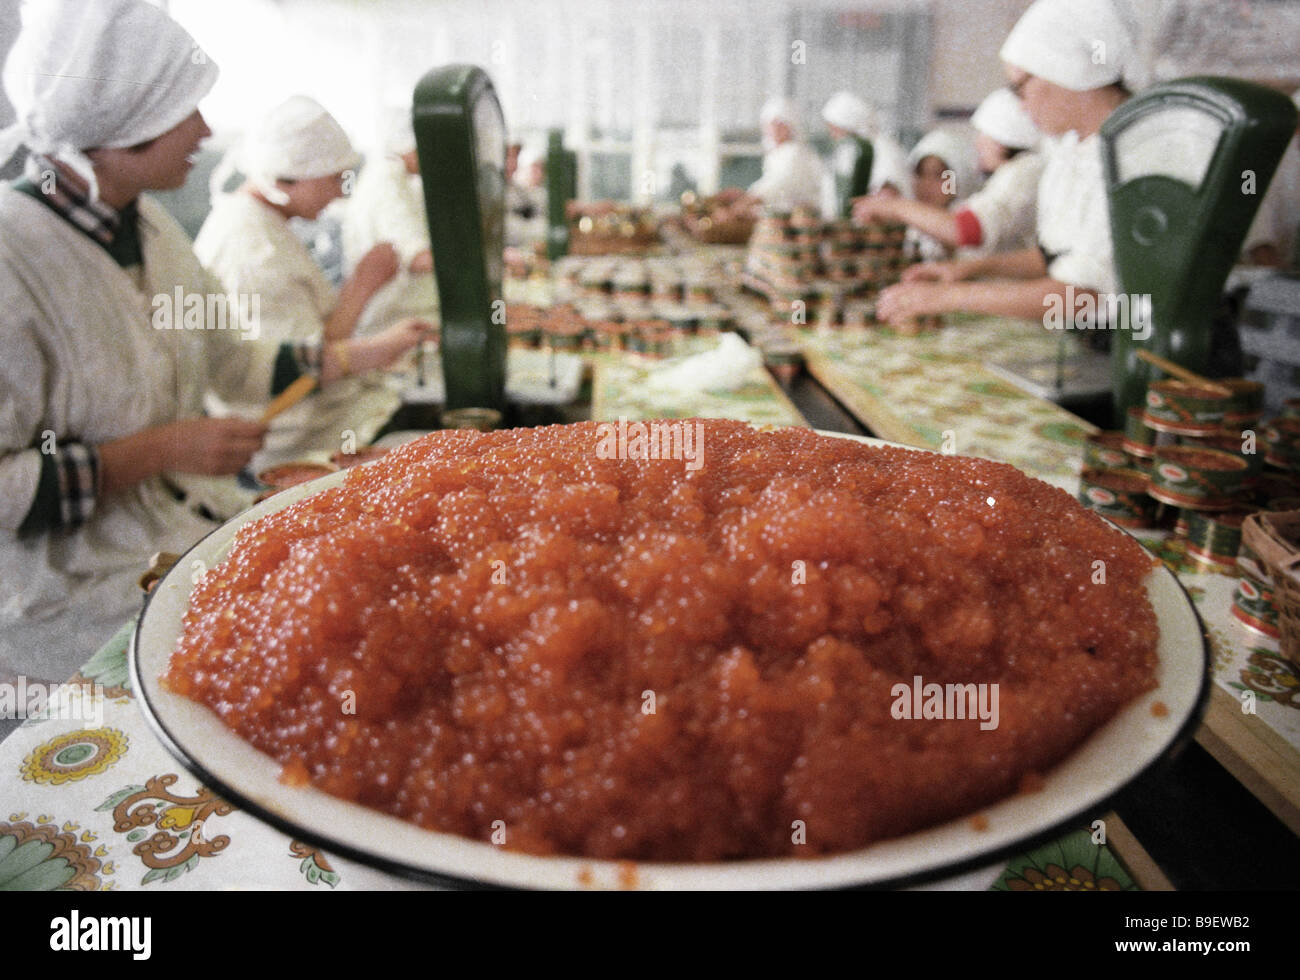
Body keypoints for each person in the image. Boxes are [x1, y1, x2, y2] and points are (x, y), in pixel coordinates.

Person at [0, 0, 430, 683]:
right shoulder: (13, 255)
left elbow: (237, 363)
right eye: (183, 111)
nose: (204, 130)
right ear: (121, 127)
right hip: (68, 598)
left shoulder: (152, 232)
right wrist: (153, 452)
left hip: (174, 532)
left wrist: (363, 354)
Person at [876, 0, 1131, 328]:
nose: (1021, 107)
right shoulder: (1070, 152)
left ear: (1063, 67)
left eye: (1019, 87)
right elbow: (1052, 258)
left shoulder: (1132, 153)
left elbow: (1085, 298)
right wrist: (966, 272)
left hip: (1123, 350)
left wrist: (949, 297)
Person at [195, 96, 415, 470]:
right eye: (333, 178)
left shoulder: (260, 222)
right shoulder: (253, 251)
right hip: (299, 442)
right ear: (284, 178)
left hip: (326, 416)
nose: (341, 192)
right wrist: (363, 289)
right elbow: (298, 374)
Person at [853, 88, 1044, 258]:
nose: (927, 185)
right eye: (920, 175)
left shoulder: (1022, 174)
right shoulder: (915, 227)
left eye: (940, 176)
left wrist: (894, 207)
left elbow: (966, 230)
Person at [340, 108, 439, 334]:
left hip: (398, 314)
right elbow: (419, 259)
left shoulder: (395, 177)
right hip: (388, 323)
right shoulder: (388, 180)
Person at [821, 90, 911, 217]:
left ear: (848, 124)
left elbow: (888, 196)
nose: (832, 134)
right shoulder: (849, 151)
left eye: (834, 128)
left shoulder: (882, 149)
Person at [745, 97, 826, 212]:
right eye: (771, 124)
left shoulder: (795, 152)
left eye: (781, 125)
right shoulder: (776, 154)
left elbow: (778, 185)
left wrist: (749, 199)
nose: (775, 129)